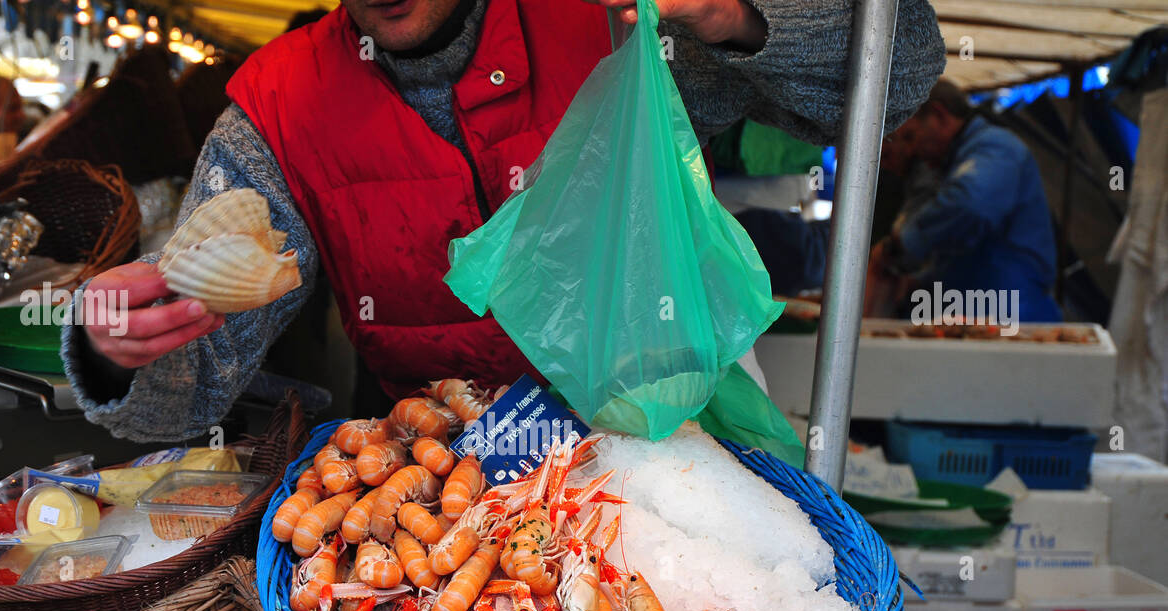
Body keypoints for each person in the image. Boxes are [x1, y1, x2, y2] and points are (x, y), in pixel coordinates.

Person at [65, 0, 946, 442]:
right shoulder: (280, 109)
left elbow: (892, 83)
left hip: (659, 473)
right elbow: (191, 387)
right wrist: (114, 349)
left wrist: (731, 13)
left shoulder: (608, 25)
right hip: (434, 507)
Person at [867, 78, 1064, 324]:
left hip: (1012, 316)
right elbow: (960, 258)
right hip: (977, 311)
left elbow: (971, 205)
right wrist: (918, 283)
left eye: (910, 137)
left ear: (939, 115)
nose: (911, 151)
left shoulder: (996, 148)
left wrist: (901, 244)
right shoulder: (953, 164)